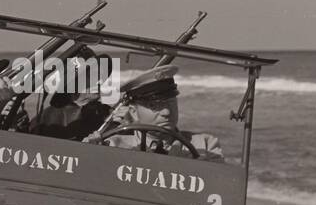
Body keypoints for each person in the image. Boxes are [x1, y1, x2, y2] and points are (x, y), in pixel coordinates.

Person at [83, 63, 224, 159]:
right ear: (133, 111)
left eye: (171, 104)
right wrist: (88, 153)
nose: (166, 112)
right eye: (155, 106)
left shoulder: (205, 145)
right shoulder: (112, 145)